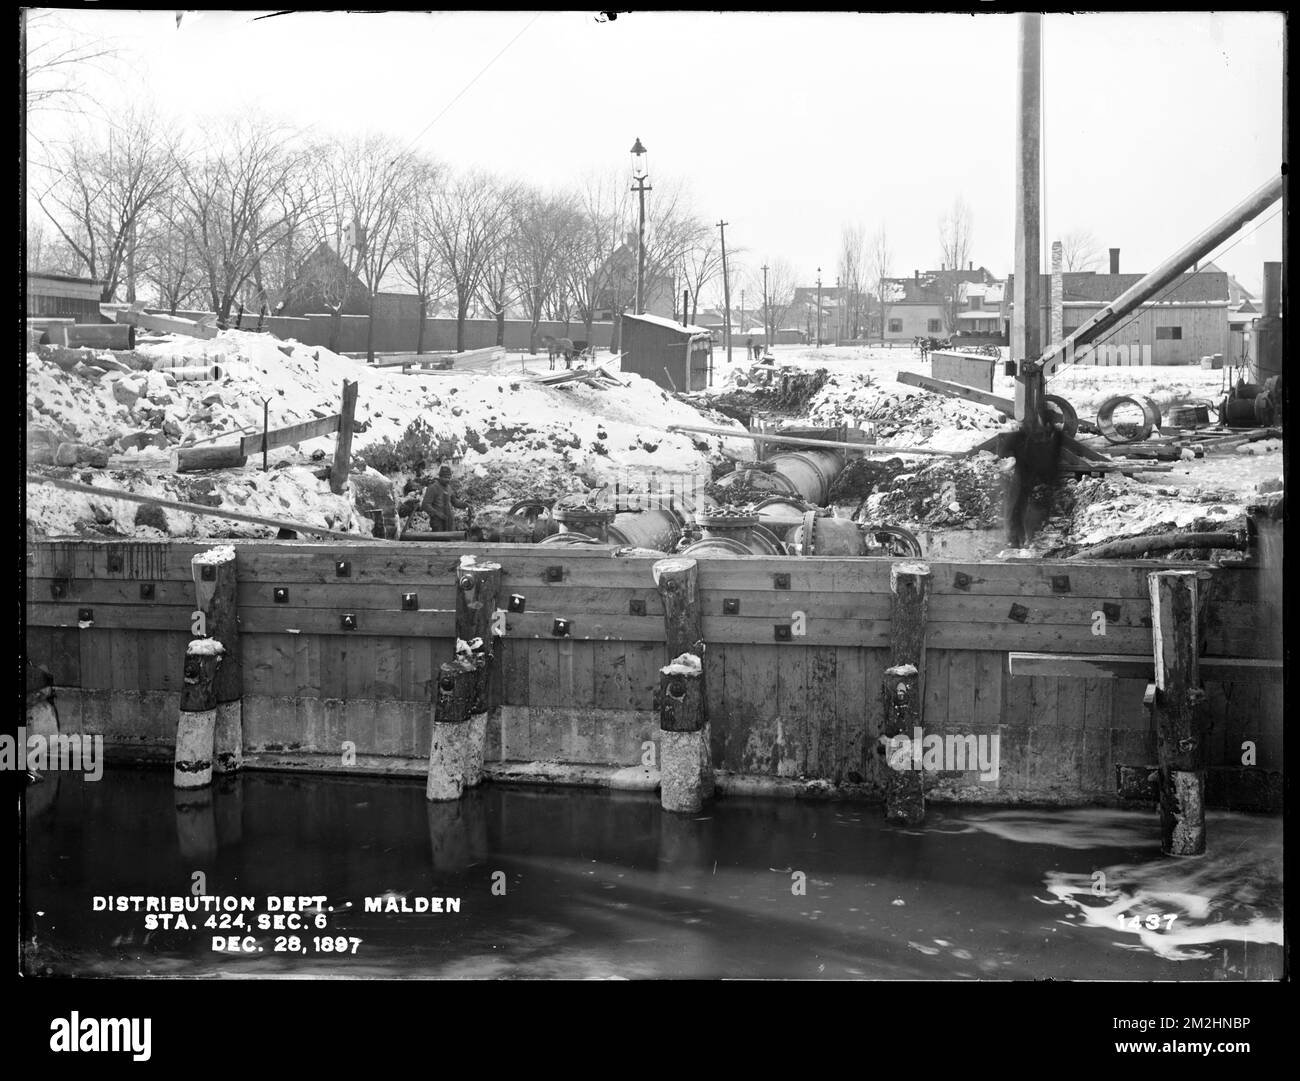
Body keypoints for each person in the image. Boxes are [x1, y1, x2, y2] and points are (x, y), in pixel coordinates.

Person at [420, 464, 469, 532]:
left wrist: (465, 505)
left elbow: (454, 501)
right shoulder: (433, 488)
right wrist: (437, 513)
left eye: (449, 477)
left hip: (449, 519)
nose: (448, 480)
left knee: (450, 539)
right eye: (445, 477)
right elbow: (425, 505)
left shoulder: (448, 487)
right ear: (440, 476)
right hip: (438, 522)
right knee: (440, 541)